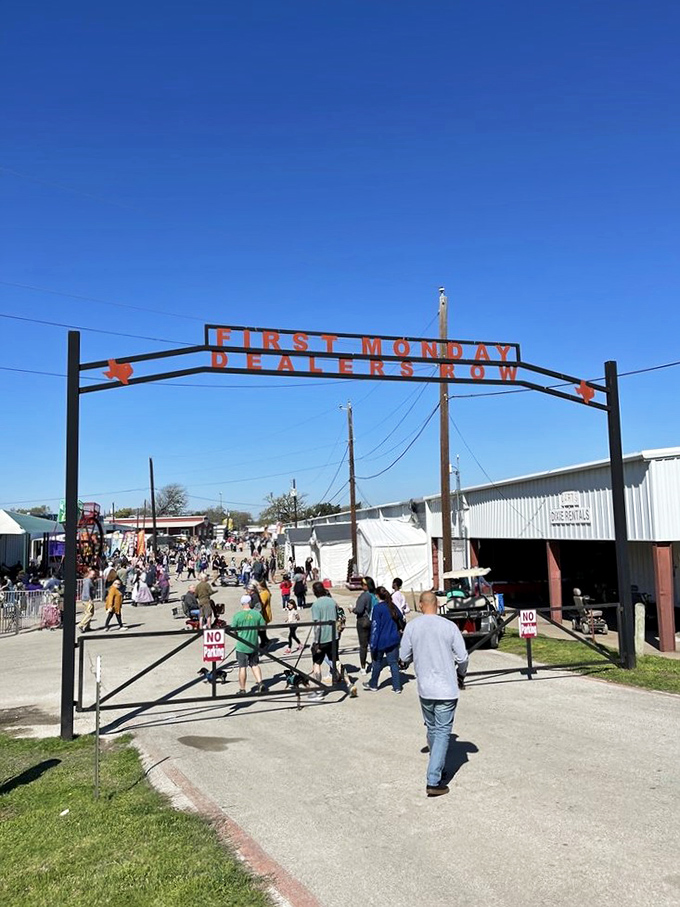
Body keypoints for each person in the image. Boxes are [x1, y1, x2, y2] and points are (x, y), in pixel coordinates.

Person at [399, 590, 469, 798]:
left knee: (432, 728)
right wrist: (460, 675)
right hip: (446, 687)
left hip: (425, 688)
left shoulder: (412, 626)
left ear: (421, 605)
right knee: (442, 732)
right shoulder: (449, 626)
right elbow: (463, 657)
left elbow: (404, 655)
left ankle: (436, 765)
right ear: (437, 604)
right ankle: (433, 779)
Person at [363, 586, 404, 694]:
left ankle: (373, 684)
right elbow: (400, 616)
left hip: (381, 640)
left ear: (377, 596)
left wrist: (372, 643)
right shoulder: (391, 606)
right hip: (393, 638)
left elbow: (375, 627)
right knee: (393, 663)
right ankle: (397, 686)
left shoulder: (377, 608)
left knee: (377, 663)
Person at [309, 581, 340, 699]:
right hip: (334, 636)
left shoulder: (316, 605)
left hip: (322, 638)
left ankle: (319, 690)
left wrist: (316, 642)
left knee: (317, 664)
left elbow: (317, 626)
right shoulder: (332, 601)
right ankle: (347, 681)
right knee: (335, 660)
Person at [230, 594, 265, 694]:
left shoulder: (237, 616)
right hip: (253, 644)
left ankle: (242, 689)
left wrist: (238, 634)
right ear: (249, 603)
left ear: (242, 604)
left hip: (242, 645)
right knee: (254, 664)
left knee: (242, 667)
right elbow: (262, 627)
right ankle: (260, 683)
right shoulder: (257, 614)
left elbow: (233, 630)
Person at [349, 576, 377, 674]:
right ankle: (374, 665)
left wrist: (353, 609)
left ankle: (363, 667)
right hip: (373, 621)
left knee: (363, 646)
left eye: (362, 584)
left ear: (366, 585)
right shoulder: (375, 595)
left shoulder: (364, 596)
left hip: (363, 621)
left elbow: (359, 610)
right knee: (372, 645)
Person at [257, 580, 273, 649]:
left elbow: (262, 604)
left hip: (264, 614)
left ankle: (265, 642)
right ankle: (264, 642)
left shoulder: (264, 593)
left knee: (261, 631)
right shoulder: (265, 592)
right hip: (265, 614)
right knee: (261, 630)